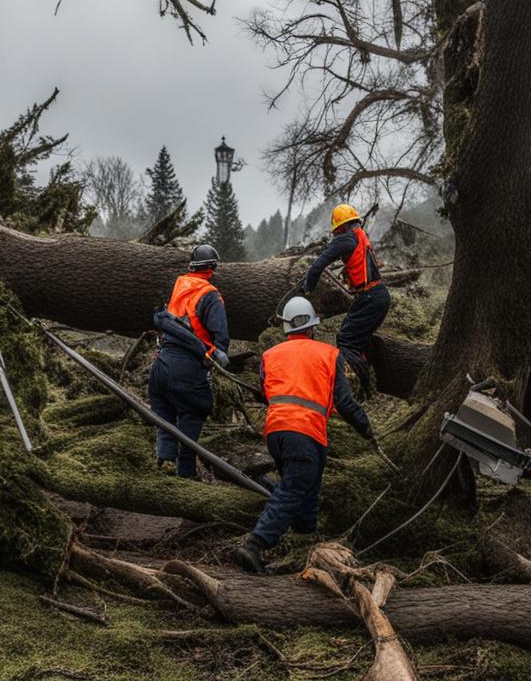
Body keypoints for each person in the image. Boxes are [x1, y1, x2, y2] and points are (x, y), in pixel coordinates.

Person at [235, 296, 374, 573]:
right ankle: (255, 543)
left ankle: (304, 539)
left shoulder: (270, 355)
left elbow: (266, 392)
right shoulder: (329, 354)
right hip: (305, 431)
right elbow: (345, 402)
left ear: (287, 328)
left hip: (276, 432)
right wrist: (366, 429)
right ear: (312, 326)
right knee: (293, 488)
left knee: (308, 488)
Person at [148, 244, 229, 479]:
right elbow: (220, 338)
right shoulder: (211, 296)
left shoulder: (179, 286)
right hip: (187, 369)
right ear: (212, 268)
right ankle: (185, 475)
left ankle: (163, 465)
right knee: (193, 412)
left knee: (164, 413)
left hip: (160, 367)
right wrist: (218, 355)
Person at [303, 204, 389, 390]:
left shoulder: (346, 239)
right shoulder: (359, 236)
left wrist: (307, 287)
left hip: (370, 297)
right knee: (360, 340)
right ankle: (371, 378)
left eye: (337, 230)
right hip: (376, 296)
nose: (336, 234)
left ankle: (352, 385)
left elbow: (318, 266)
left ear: (340, 227)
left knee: (346, 340)